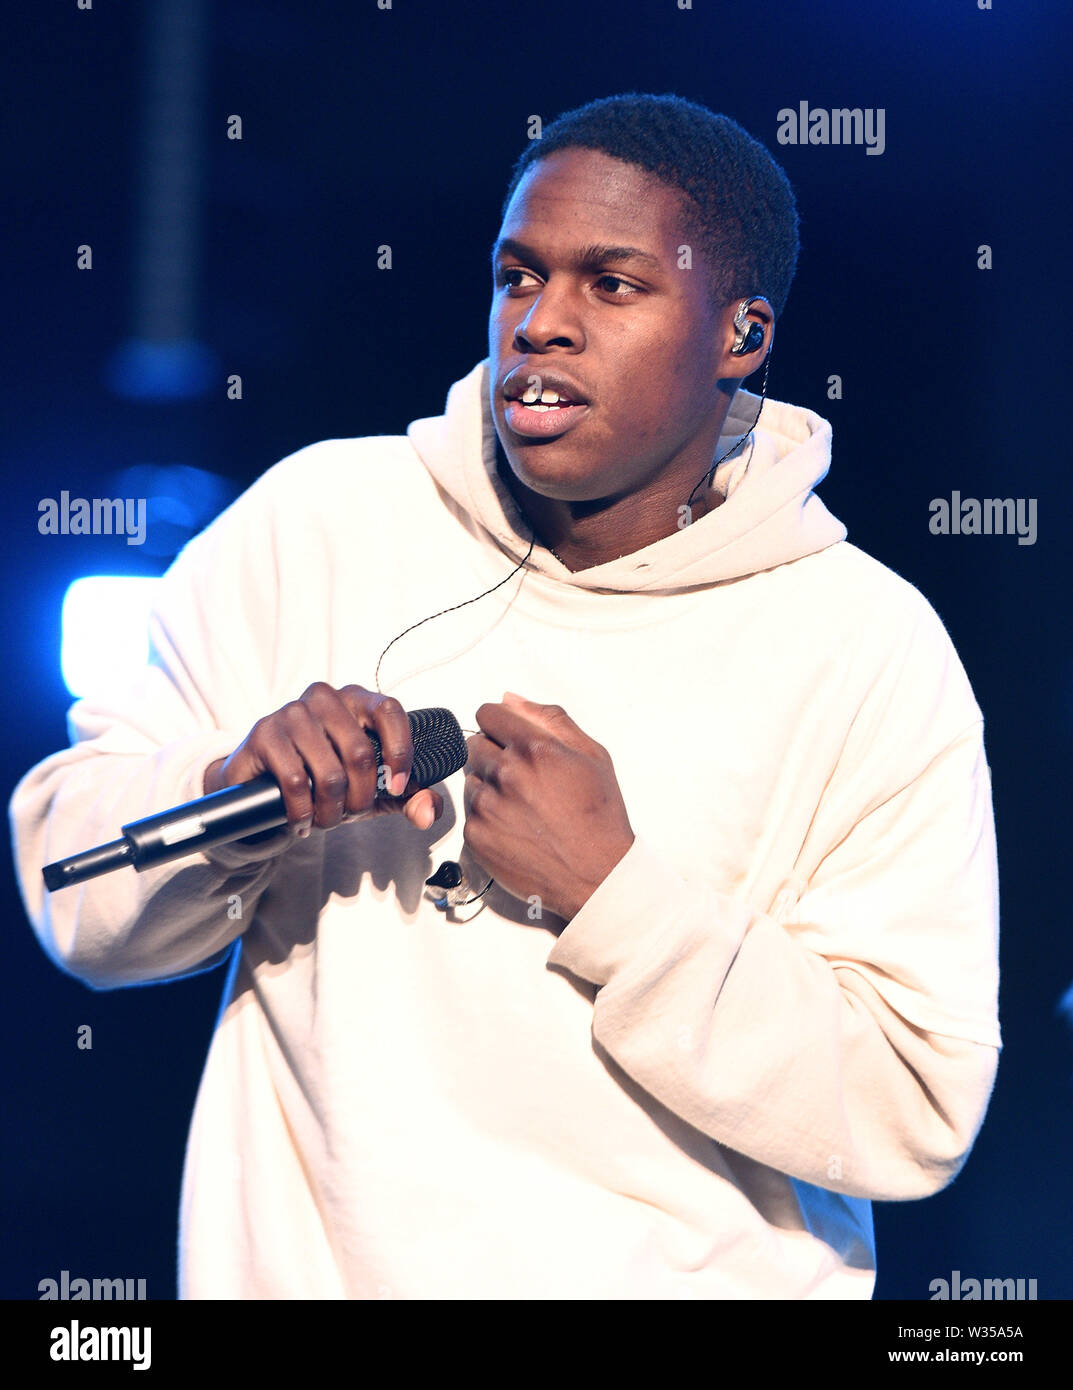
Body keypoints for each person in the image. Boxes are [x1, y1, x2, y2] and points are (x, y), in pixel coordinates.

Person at [10, 92, 1000, 1300]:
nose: (541, 324)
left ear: (740, 333)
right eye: (517, 275)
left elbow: (911, 1106)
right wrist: (236, 791)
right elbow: (79, 899)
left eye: (611, 285)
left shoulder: (866, 644)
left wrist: (614, 895)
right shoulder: (321, 519)